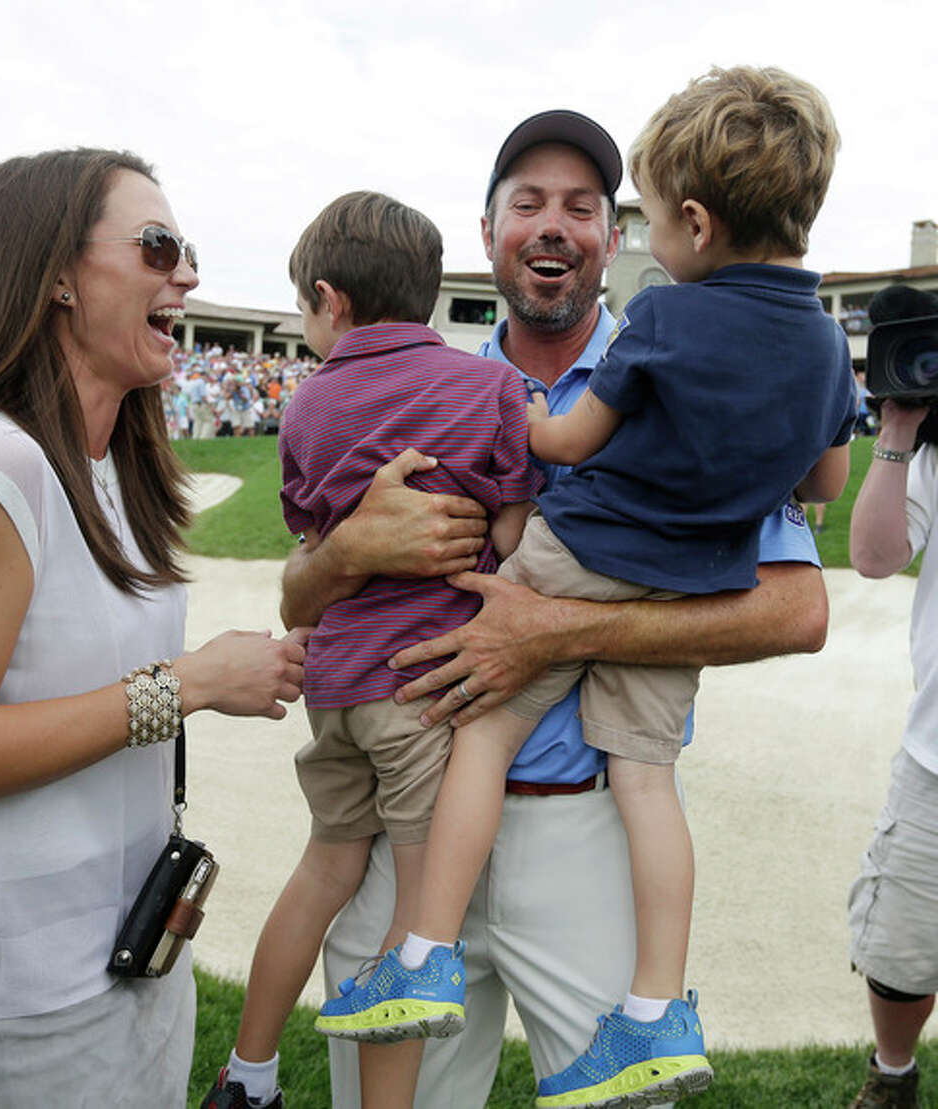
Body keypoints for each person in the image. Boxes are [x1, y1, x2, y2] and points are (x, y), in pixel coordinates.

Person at [316, 66, 856, 1109]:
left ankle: (431, 957)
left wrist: (553, 628)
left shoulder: (672, 334)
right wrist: (338, 555)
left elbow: (801, 610)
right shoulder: (801, 348)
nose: (554, 224)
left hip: (579, 826)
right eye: (528, 202)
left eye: (584, 205)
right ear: (488, 232)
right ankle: (632, 1003)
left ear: (621, 237)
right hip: (412, 811)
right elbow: (307, 593)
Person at [0, 148, 307, 1109]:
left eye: (186, 250)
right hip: (27, 991)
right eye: (158, 246)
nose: (187, 275)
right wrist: (187, 685)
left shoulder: (106, 463)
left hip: (132, 943)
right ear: (57, 274)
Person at [201, 190, 534, 1109]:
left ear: (329, 298)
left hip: (337, 688)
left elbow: (315, 541)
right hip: (416, 691)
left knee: (326, 867)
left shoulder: (308, 403)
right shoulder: (490, 386)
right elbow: (512, 525)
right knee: (420, 927)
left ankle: (249, 1072)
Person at [846, 377, 938, 1105]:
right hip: (935, 759)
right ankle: (894, 1074)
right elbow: (876, 557)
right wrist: (900, 429)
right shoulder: (934, 454)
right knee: (900, 949)